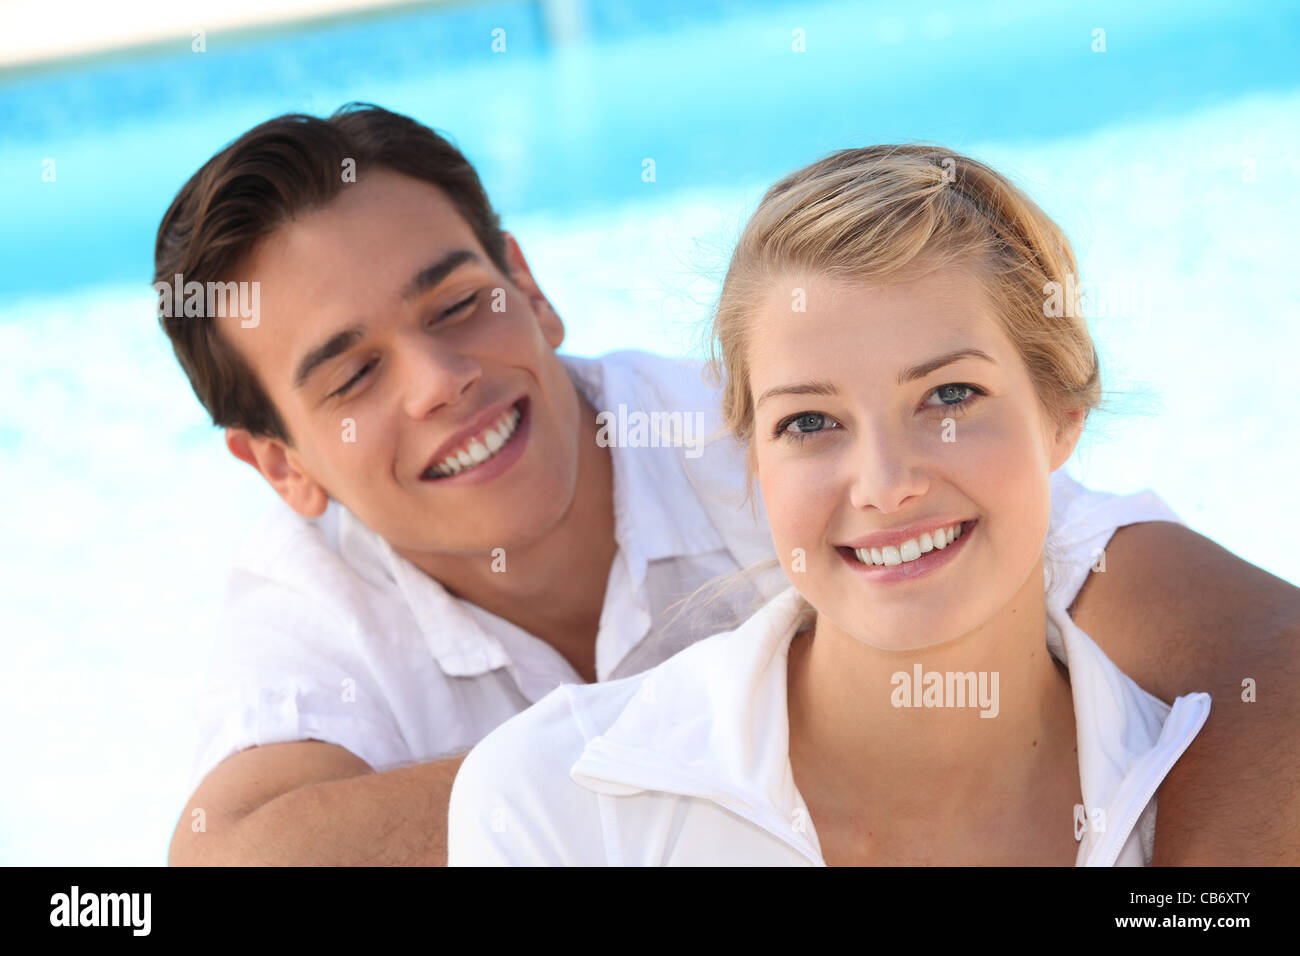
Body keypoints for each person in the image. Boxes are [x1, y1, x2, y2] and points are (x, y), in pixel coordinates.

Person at [160, 105, 1299, 866]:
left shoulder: (796, 422)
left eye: (459, 302)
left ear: (530, 283)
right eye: (354, 372)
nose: (441, 380)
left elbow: (1259, 653)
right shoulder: (307, 619)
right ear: (279, 464)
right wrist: (662, 766)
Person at [445, 145, 1218, 865]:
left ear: (1061, 413)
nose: (884, 485)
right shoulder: (553, 806)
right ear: (754, 459)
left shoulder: (1223, 798)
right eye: (810, 422)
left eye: (949, 395)